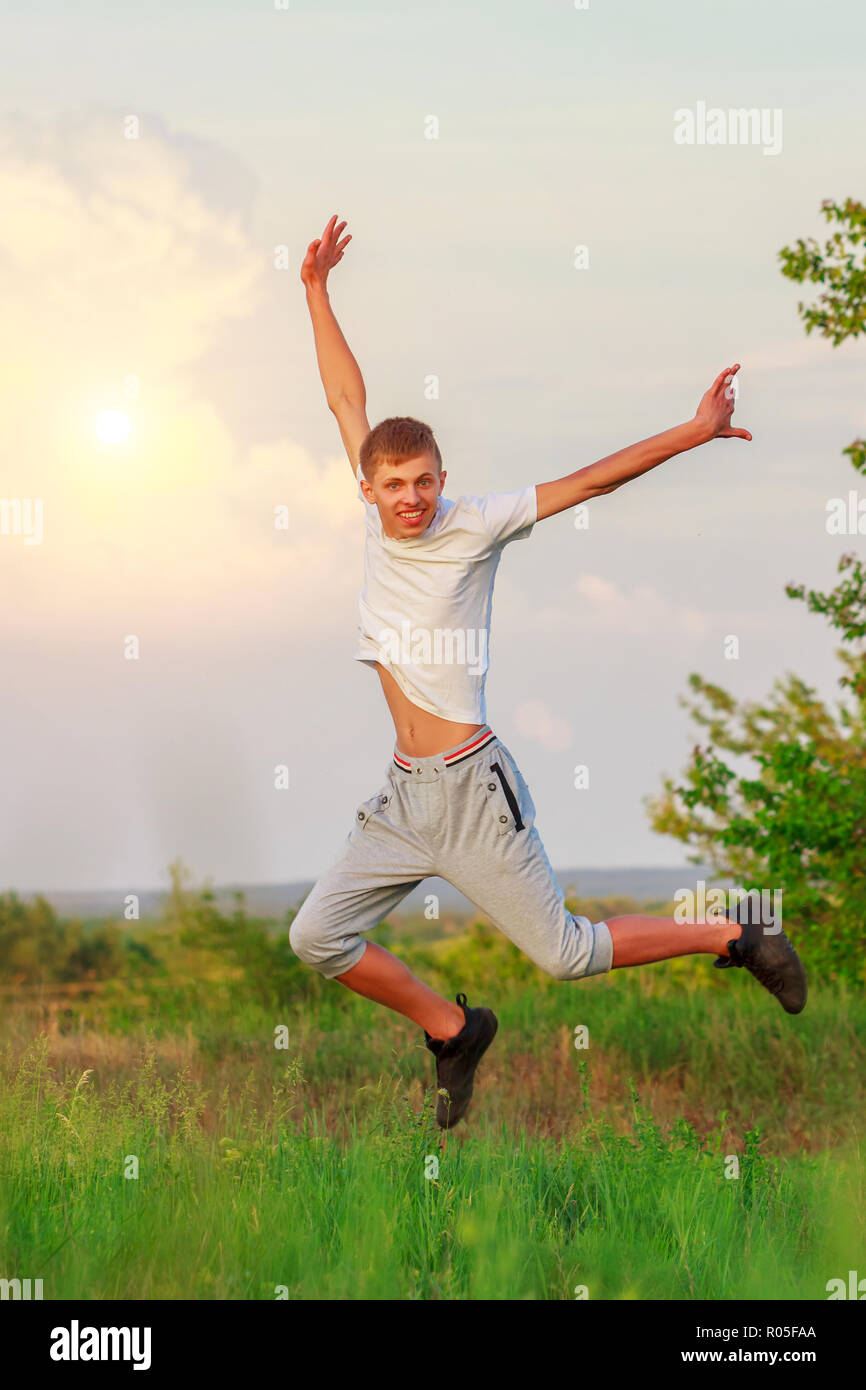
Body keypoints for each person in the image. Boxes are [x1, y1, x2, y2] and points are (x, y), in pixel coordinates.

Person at [291, 213, 807, 1131]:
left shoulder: (478, 521)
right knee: (317, 936)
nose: (410, 499)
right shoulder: (375, 511)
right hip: (405, 797)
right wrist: (317, 290)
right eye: (393, 485)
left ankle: (734, 932)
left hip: (472, 791)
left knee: (567, 953)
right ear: (368, 488)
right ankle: (453, 1032)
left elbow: (591, 481)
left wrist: (693, 432)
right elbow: (344, 401)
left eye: (423, 482)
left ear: (442, 477)